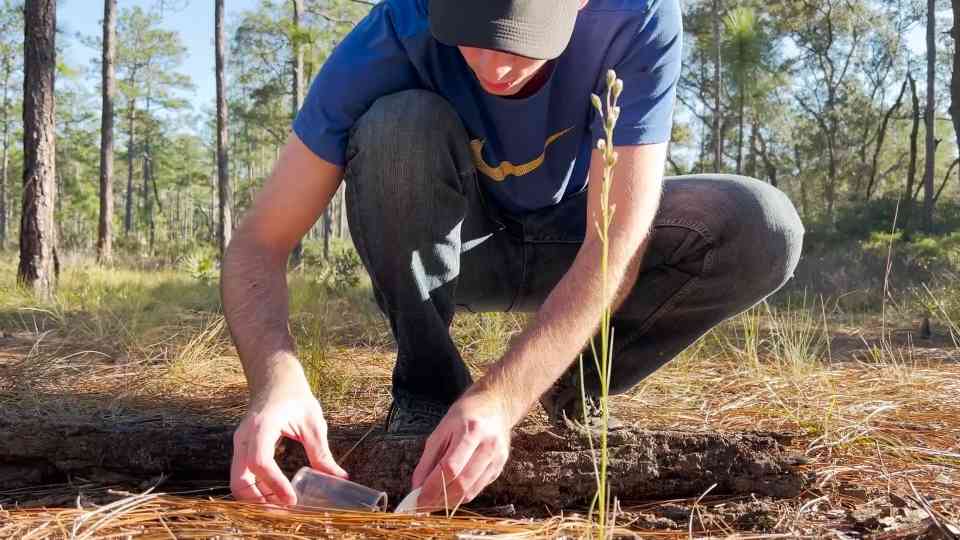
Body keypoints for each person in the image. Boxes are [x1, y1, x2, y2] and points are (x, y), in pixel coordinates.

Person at [222, 0, 804, 512]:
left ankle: (563, 394)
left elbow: (615, 242)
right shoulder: (396, 27)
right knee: (396, 127)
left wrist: (506, 397)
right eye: (470, 35)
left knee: (762, 223)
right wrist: (275, 380)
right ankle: (429, 394)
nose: (494, 67)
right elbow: (259, 243)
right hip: (459, 246)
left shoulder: (637, 15)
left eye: (521, 39)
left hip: (577, 242)